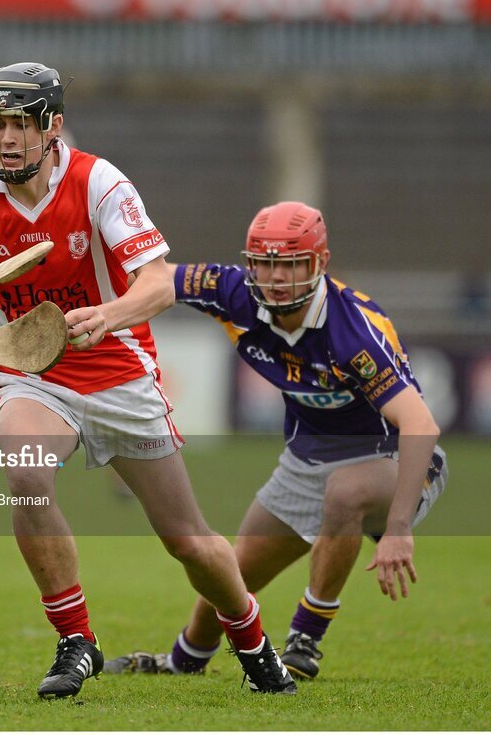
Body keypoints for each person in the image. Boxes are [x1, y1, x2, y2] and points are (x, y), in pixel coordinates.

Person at [0, 63, 295, 698]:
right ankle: (76, 642)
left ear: (52, 128)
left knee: (187, 540)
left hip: (120, 371)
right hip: (31, 375)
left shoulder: (98, 183)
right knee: (25, 471)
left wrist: (109, 314)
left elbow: (158, 283)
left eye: (20, 124)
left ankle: (254, 645)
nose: (6, 138)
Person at [105, 201, 447, 680]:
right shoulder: (232, 291)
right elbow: (160, 278)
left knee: (345, 493)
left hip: (393, 458)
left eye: (290, 265)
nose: (275, 278)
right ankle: (184, 661)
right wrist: (104, 310)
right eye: (264, 264)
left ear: (319, 263)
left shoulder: (352, 333)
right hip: (306, 459)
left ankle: (305, 640)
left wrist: (398, 529)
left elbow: (421, 425)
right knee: (229, 575)